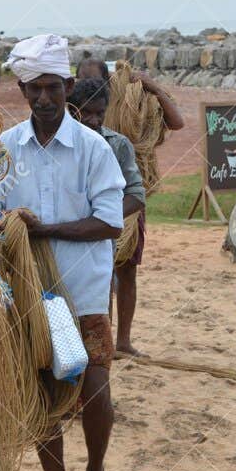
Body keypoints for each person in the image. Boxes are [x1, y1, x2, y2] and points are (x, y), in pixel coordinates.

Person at [0, 33, 126, 471]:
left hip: (86, 292)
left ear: (69, 87)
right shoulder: (6, 148)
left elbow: (110, 222)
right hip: (30, 295)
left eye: (52, 87)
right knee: (44, 392)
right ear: (22, 90)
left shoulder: (94, 148)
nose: (44, 98)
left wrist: (44, 231)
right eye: (34, 88)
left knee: (95, 388)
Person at [73, 56, 183, 356]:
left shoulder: (128, 102)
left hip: (128, 198)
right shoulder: (72, 111)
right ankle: (101, 340)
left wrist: (151, 86)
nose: (90, 86)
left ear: (109, 81)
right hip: (88, 204)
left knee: (126, 271)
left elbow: (177, 122)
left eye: (96, 81)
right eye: (83, 80)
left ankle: (122, 341)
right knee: (99, 274)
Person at [68, 78, 147, 330]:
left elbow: (136, 194)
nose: (94, 120)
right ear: (72, 110)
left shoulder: (117, 145)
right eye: (87, 113)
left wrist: (104, 217)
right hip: (62, 239)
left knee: (98, 304)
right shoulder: (57, 144)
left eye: (99, 113)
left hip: (100, 242)